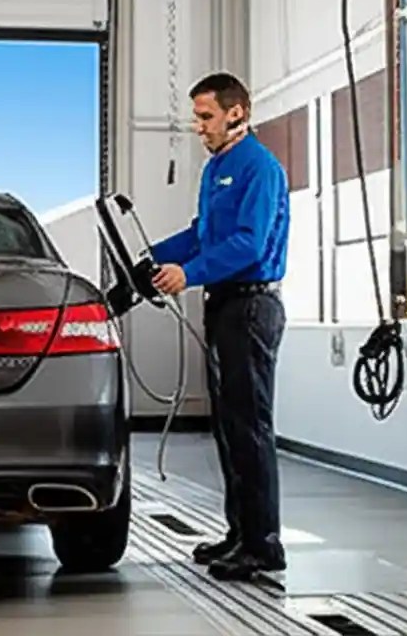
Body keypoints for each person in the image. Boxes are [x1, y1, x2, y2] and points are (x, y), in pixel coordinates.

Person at [148, 71, 291, 582]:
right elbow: (202, 234)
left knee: (251, 428)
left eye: (206, 116)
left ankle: (263, 544)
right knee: (230, 427)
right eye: (197, 117)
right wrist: (151, 257)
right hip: (223, 305)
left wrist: (187, 274)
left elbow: (249, 245)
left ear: (237, 113)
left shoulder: (259, 168)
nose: (198, 126)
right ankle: (241, 533)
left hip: (251, 307)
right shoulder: (216, 170)